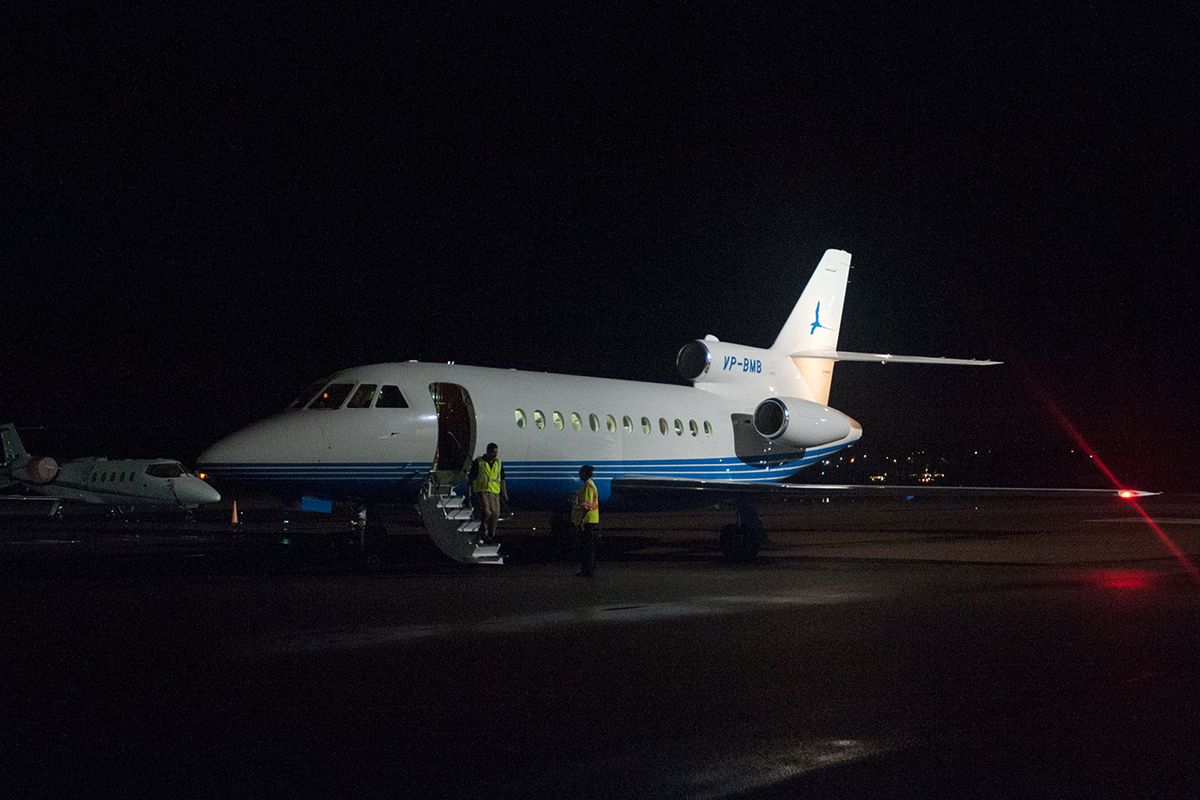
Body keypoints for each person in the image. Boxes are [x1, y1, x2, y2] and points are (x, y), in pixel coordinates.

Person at [468, 442, 507, 543]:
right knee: (487, 511)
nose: (495, 454)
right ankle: (483, 532)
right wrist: (470, 492)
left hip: (494, 492)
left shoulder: (498, 463)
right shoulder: (479, 462)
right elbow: (471, 478)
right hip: (482, 491)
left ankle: (491, 534)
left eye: (496, 452)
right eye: (493, 452)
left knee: (495, 513)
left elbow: (502, 479)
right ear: (488, 451)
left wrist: (504, 493)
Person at [572, 464, 600, 576]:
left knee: (586, 547)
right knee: (588, 546)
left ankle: (587, 569)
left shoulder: (588, 486)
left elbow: (586, 505)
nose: (579, 474)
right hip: (590, 519)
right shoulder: (589, 484)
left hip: (587, 520)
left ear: (584, 474)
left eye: (581, 472)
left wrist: (581, 521)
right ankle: (589, 568)